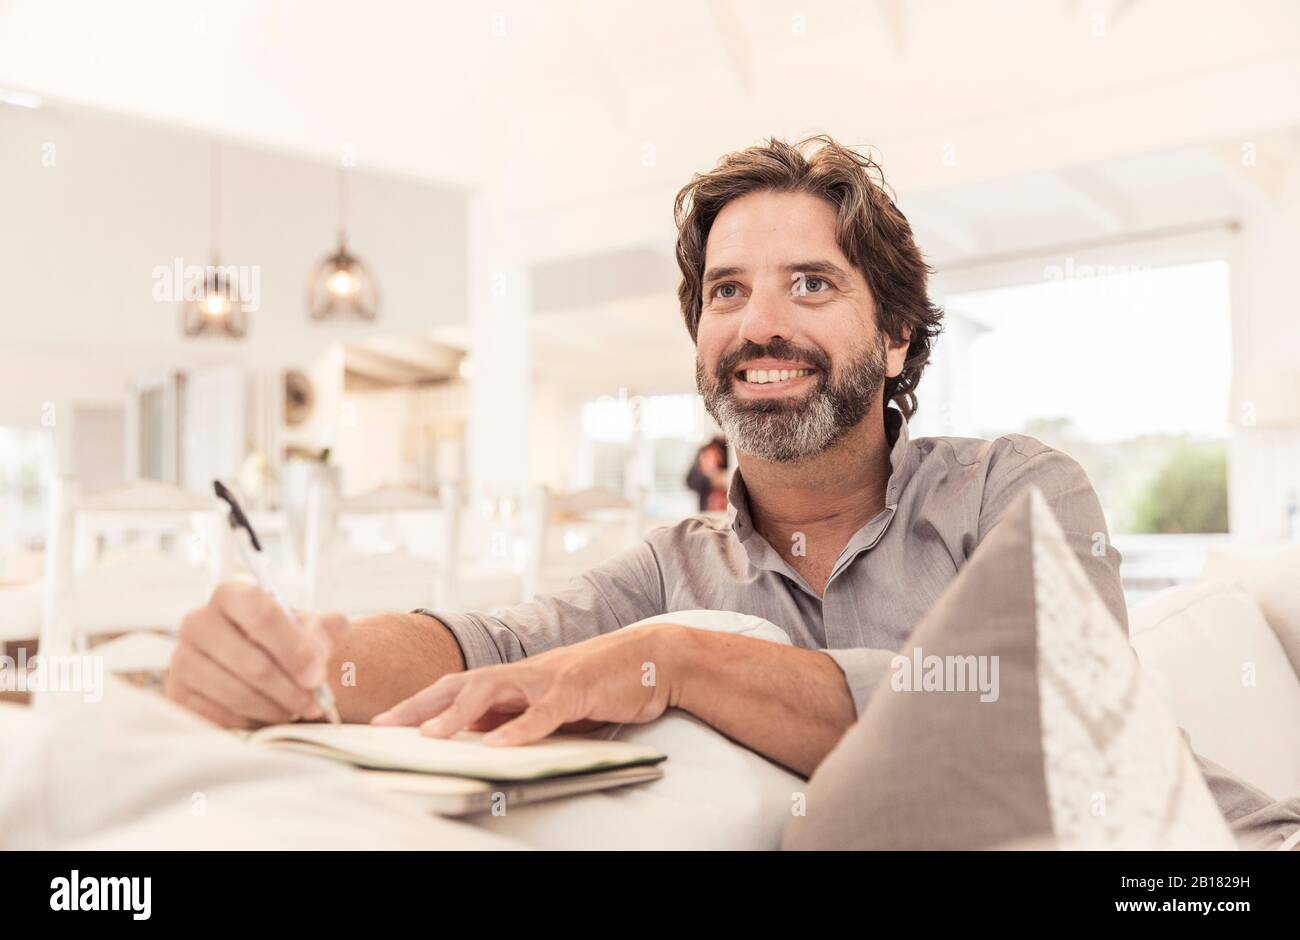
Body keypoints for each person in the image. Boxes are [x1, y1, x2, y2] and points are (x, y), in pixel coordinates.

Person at [167, 135, 1297, 846]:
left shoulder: (1014, 488)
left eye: (811, 283)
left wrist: (683, 658)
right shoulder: (672, 569)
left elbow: (1037, 720)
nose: (760, 323)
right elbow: (492, 640)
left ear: (895, 337)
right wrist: (314, 667)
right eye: (726, 292)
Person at [684, 437, 728, 512]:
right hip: (707, 509)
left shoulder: (727, 453)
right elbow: (690, 481)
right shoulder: (703, 451)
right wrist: (710, 480)